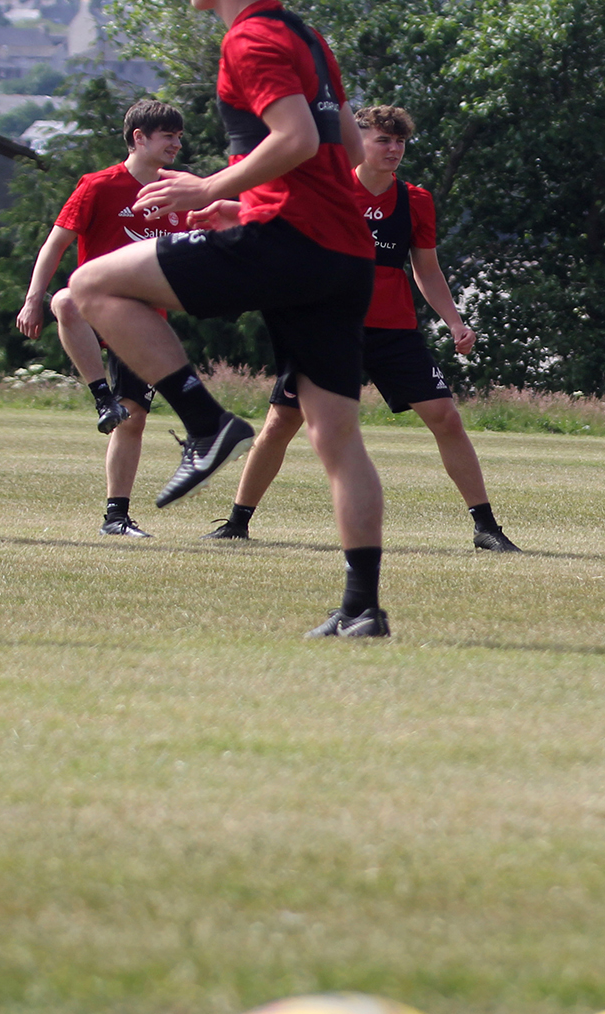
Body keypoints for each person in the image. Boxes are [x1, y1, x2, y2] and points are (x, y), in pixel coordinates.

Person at [67, 0, 390, 638]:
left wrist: (210, 188)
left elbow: (295, 140)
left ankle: (206, 421)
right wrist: (251, 207)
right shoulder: (309, 36)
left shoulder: (249, 38)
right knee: (337, 438)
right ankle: (362, 608)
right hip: (342, 253)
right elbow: (346, 148)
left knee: (89, 285)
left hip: (290, 244)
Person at [201, 104, 519, 552]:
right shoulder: (325, 189)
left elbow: (426, 269)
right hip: (327, 326)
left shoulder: (416, 200)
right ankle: (236, 522)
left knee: (446, 418)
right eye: (382, 140)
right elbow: (271, 220)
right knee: (280, 424)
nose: (393, 149)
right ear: (358, 141)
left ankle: (486, 528)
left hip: (393, 331)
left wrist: (454, 322)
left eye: (400, 142)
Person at [17, 99, 191, 538]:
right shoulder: (98, 186)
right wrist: (31, 299)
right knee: (66, 301)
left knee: (134, 418)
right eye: (168, 135)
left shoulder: (178, 190)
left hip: (145, 321)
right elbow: (55, 244)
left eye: (178, 135)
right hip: (97, 305)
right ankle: (100, 396)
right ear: (139, 138)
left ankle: (116, 518)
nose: (176, 143)